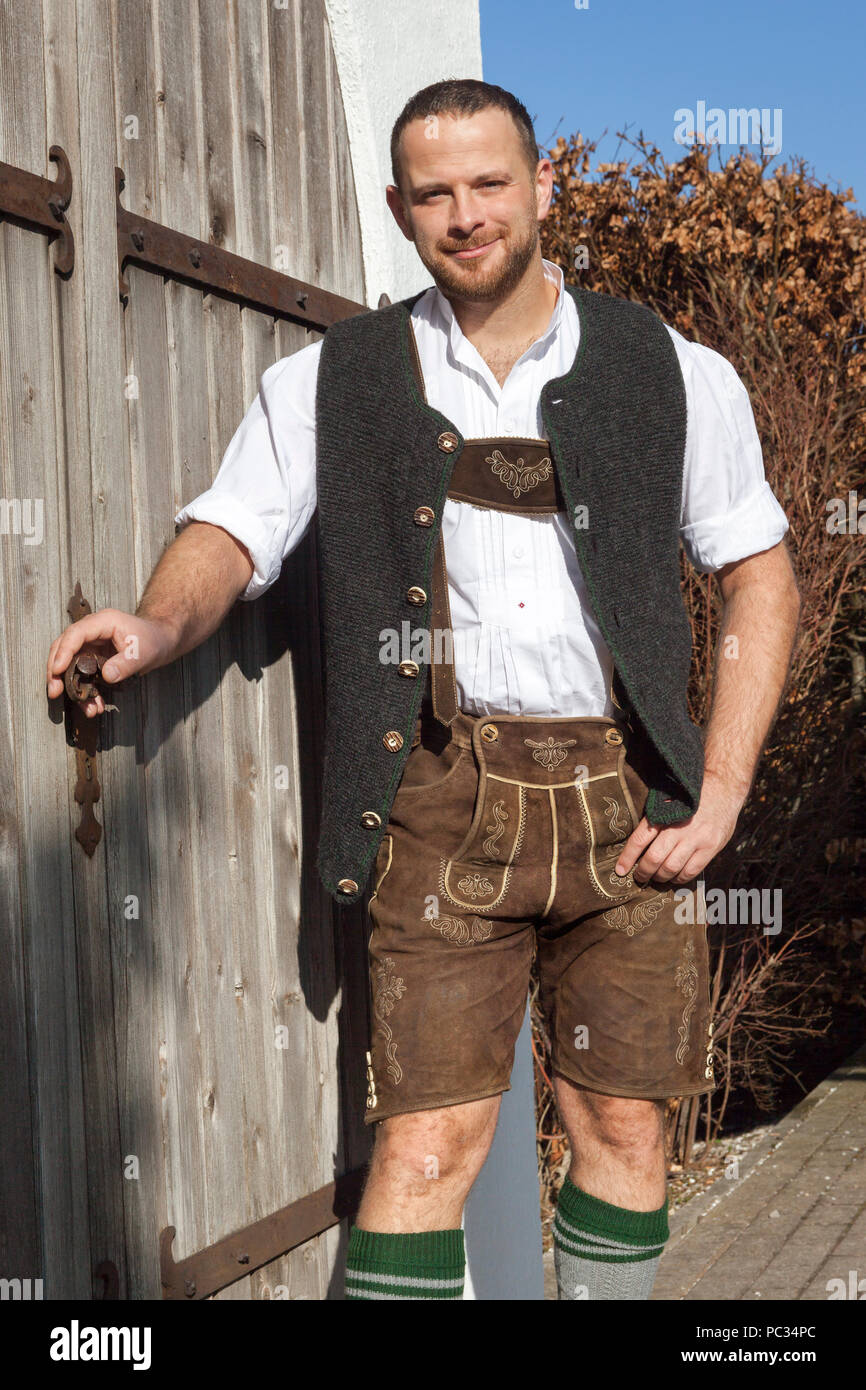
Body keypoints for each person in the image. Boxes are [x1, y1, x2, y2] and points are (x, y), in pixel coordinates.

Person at [45, 79, 800, 1301]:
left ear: (542, 187)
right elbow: (232, 533)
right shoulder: (329, 379)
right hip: (438, 806)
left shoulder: (669, 370)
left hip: (633, 802)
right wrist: (154, 620)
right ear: (399, 210)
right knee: (427, 1141)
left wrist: (719, 783)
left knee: (623, 1130)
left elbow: (758, 571)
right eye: (434, 192)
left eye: (489, 183)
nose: (465, 213)